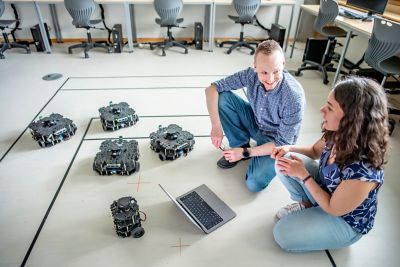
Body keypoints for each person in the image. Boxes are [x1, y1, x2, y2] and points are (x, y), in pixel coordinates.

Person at [272, 76, 389, 252]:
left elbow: (334, 209)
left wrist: (303, 175)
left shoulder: (363, 170)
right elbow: (313, 151)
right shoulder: (338, 133)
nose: (322, 110)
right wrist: (287, 147)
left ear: (351, 118)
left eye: (330, 107)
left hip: (345, 220)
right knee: (286, 158)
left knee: (282, 234)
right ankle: (309, 204)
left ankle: (323, 221)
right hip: (330, 194)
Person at [205, 40, 305, 192]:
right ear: (255, 67)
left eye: (276, 71)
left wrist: (246, 154)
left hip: (277, 143)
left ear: (283, 64)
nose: (270, 80)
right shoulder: (250, 75)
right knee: (223, 97)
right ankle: (240, 144)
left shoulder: (294, 97)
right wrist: (216, 126)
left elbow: (281, 143)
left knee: (253, 184)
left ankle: (245, 152)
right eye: (264, 72)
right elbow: (212, 89)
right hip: (257, 124)